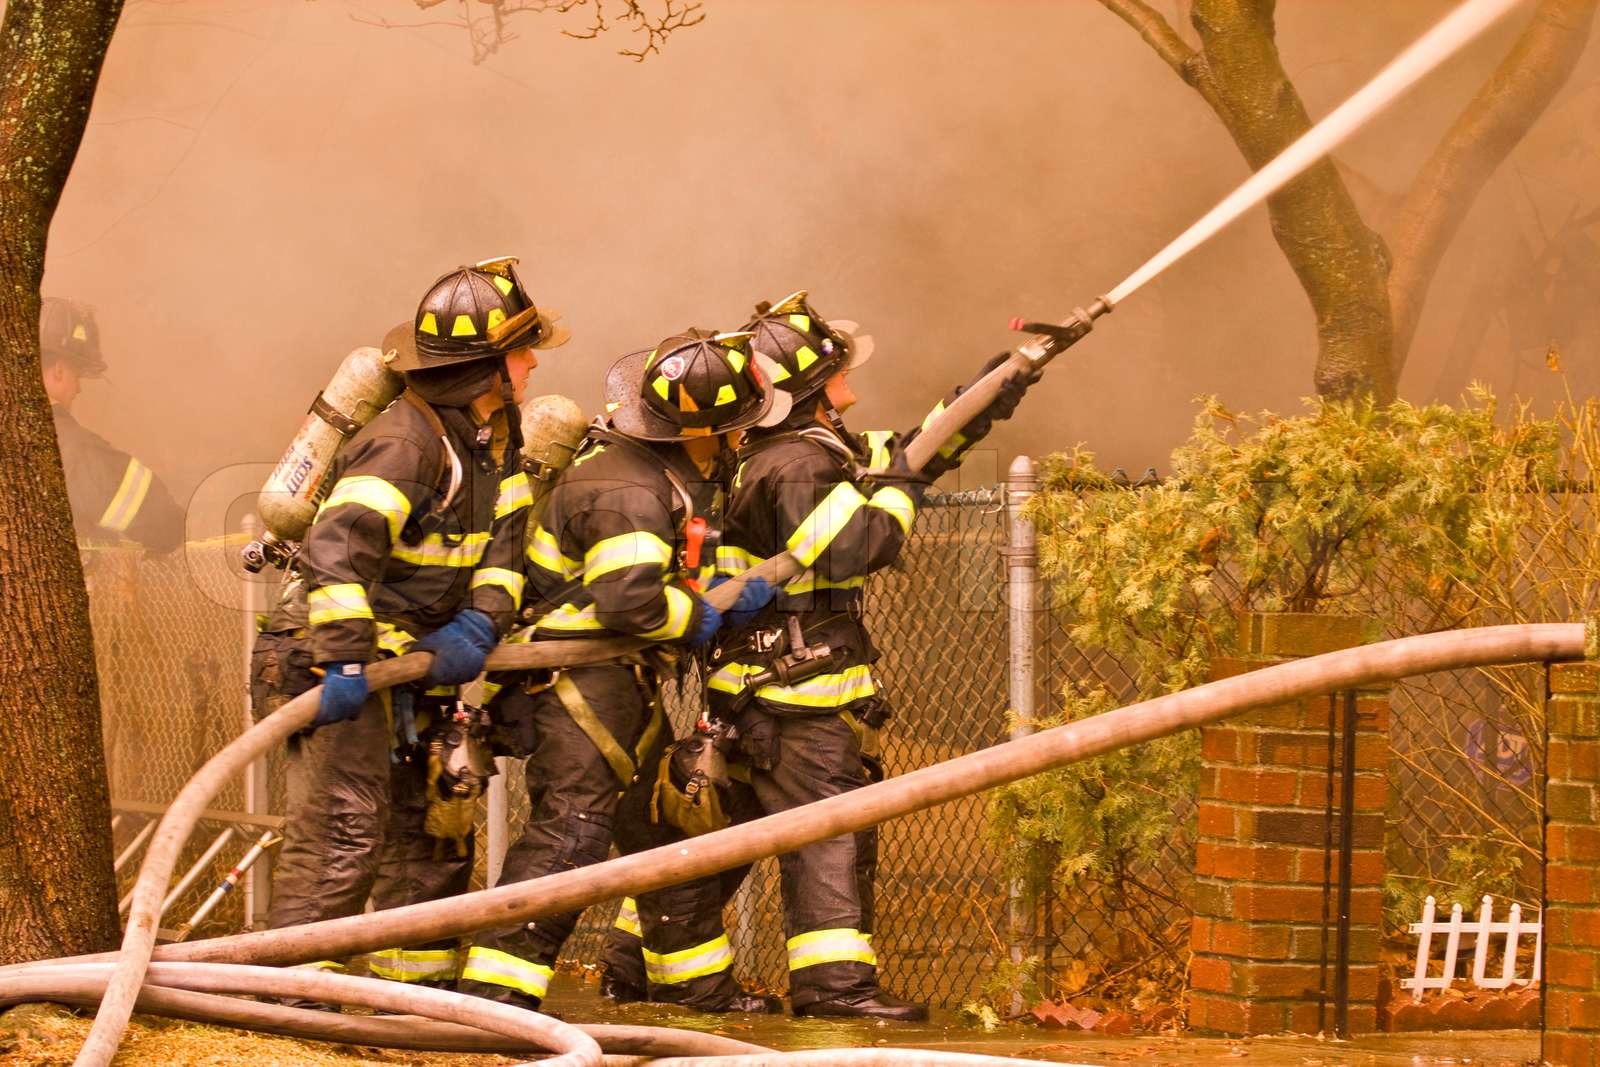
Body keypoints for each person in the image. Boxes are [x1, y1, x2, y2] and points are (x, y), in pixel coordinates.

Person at [700, 290, 1028, 1021]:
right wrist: (904, 488)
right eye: (837, 366)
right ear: (811, 388)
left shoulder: (813, 449)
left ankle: (645, 963)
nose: (851, 372)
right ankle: (835, 988)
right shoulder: (798, 466)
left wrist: (982, 395)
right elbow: (857, 544)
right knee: (827, 831)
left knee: (716, 840)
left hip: (764, 686)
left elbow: (909, 452)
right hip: (794, 693)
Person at [457, 328, 788, 1014]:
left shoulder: (652, 474)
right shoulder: (623, 487)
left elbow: (666, 569)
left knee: (664, 829)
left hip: (618, 680)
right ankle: (495, 992)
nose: (739, 444)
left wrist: (729, 589)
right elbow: (629, 596)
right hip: (579, 683)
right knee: (573, 828)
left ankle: (693, 984)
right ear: (706, 430)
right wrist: (697, 617)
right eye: (735, 431)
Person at [261, 257, 563, 993]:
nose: (531, 364)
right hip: (334, 663)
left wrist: (479, 624)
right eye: (520, 352)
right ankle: (282, 1007)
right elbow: (337, 555)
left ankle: (412, 1010)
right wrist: (341, 662)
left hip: (418, 666)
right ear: (486, 367)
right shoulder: (405, 444)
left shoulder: (493, 445)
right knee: (343, 834)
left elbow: (505, 552)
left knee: (433, 832)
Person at [41, 297, 183, 554]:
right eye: (78, 374)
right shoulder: (70, 449)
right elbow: (160, 523)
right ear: (59, 370)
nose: (79, 389)